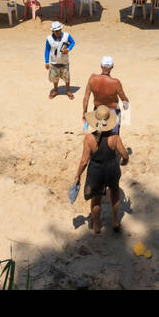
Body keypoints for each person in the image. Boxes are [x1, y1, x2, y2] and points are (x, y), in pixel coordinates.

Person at [74, 106, 129, 234]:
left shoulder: (89, 138)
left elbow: (84, 161)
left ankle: (96, 225)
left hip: (96, 170)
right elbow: (125, 155)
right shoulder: (115, 137)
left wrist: (78, 175)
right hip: (112, 168)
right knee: (114, 192)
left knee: (96, 198)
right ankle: (115, 220)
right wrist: (124, 161)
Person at [83, 56, 129, 140]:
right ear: (112, 67)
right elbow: (124, 100)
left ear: (101, 65)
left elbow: (86, 98)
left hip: (99, 111)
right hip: (113, 112)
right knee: (114, 138)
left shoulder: (92, 78)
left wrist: (84, 112)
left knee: (99, 136)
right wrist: (126, 104)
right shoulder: (115, 82)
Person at [44, 21, 75, 99]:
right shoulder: (49, 39)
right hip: (54, 62)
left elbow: (72, 42)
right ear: (53, 31)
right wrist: (46, 62)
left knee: (66, 77)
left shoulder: (66, 36)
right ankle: (55, 91)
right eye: (56, 31)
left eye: (59, 30)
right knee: (55, 78)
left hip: (64, 61)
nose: (58, 32)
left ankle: (68, 91)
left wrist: (68, 49)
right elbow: (47, 50)